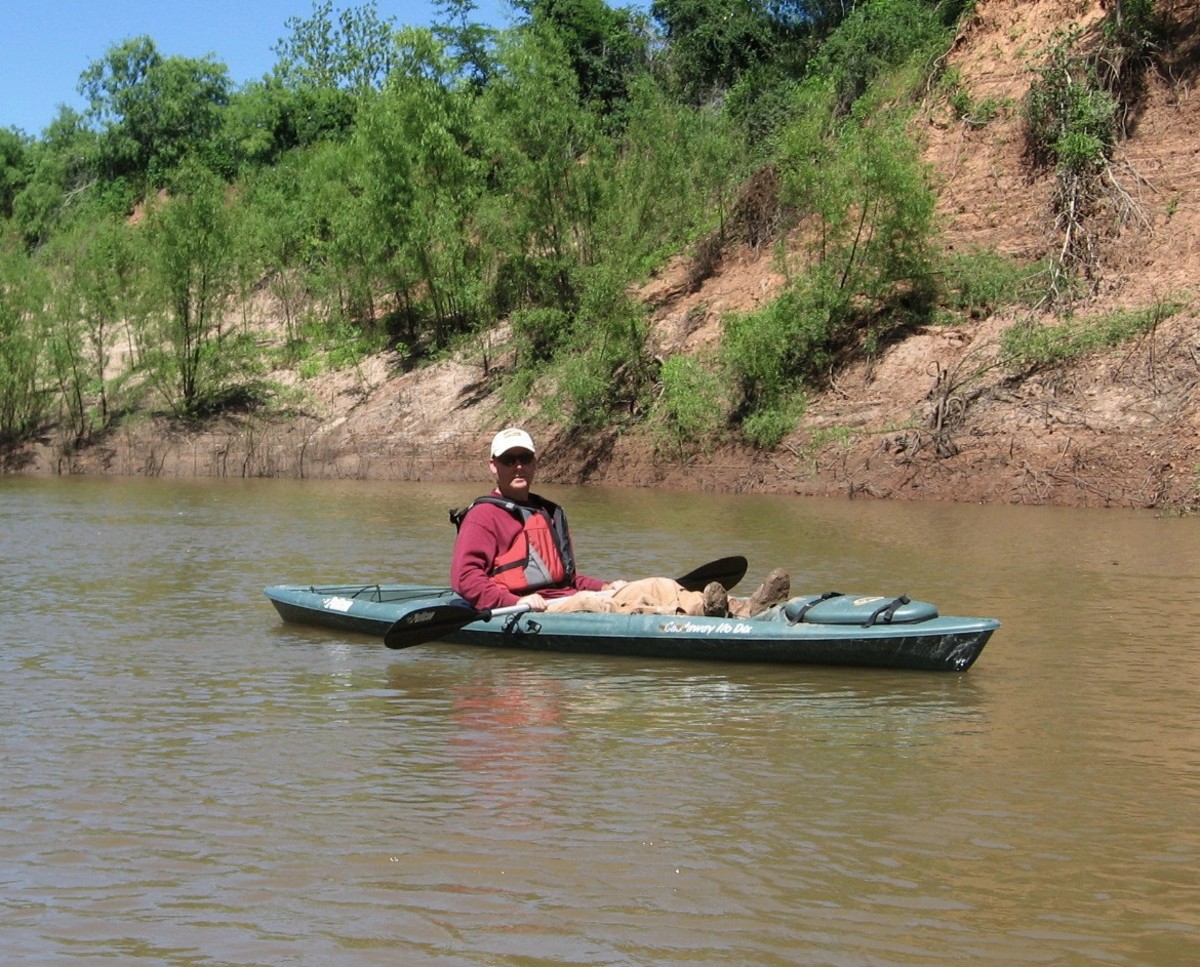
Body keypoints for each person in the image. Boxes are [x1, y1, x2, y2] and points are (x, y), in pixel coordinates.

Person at [449, 427, 791, 617]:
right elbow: (465, 580)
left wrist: (603, 584)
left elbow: (566, 576)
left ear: (535, 462)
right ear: (494, 465)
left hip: (567, 594)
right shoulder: (483, 516)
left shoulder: (546, 512)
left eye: (525, 458)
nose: (518, 466)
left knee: (657, 584)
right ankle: (700, 617)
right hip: (537, 608)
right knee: (599, 605)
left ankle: (743, 608)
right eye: (509, 460)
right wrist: (517, 602)